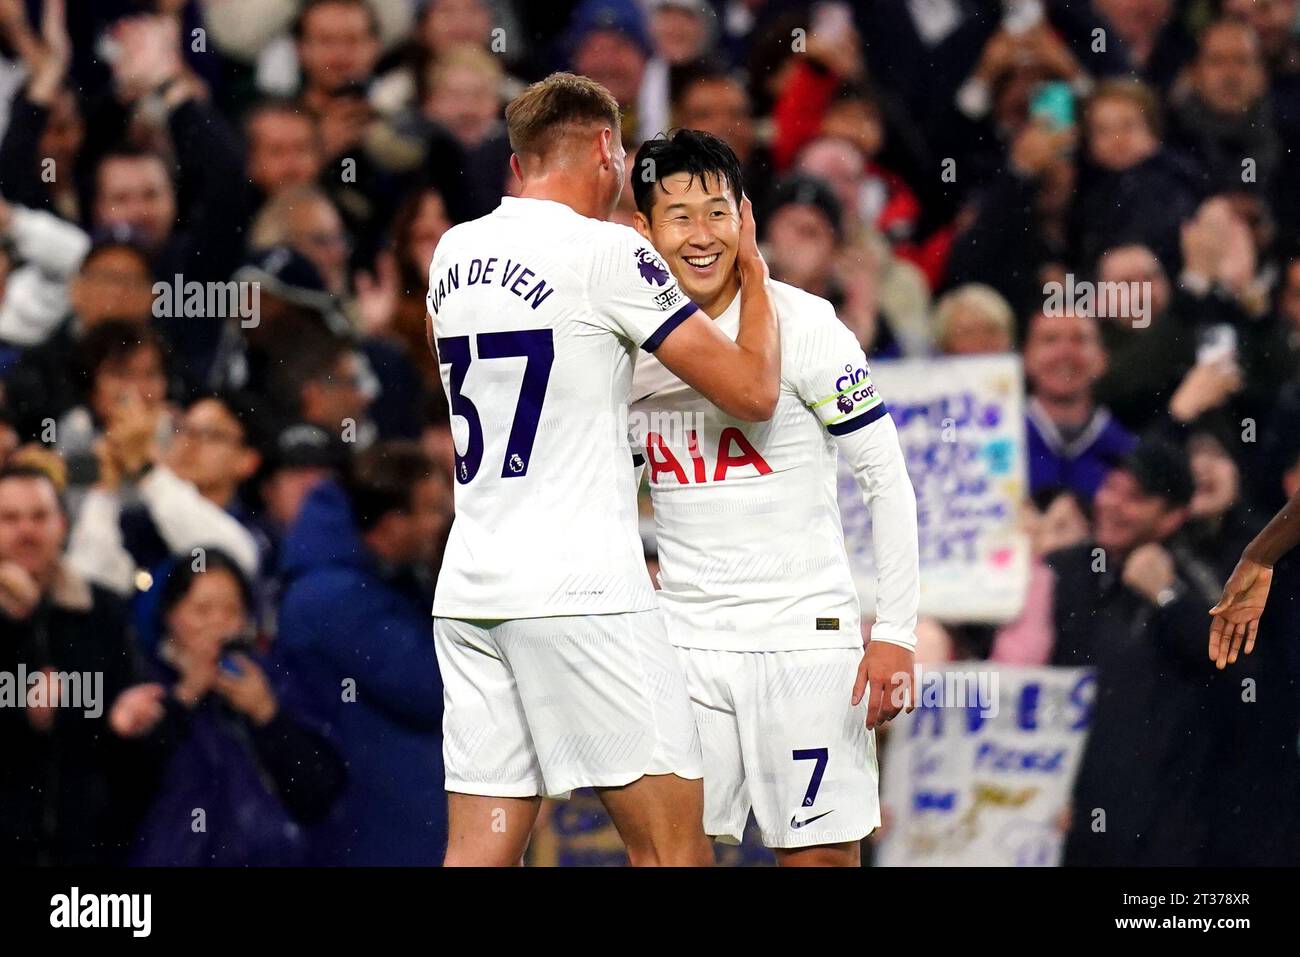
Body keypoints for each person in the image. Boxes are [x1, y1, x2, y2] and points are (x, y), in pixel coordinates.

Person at [427, 72, 780, 867]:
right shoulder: (609, 250)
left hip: (474, 590)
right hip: (584, 592)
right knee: (671, 852)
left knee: (476, 856)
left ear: (518, 166)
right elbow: (753, 391)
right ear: (605, 149)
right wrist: (753, 271)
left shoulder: (454, 251)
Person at [629, 128, 919, 866]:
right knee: (667, 857)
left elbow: (885, 477)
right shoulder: (623, 343)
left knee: (820, 860)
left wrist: (898, 631)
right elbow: (601, 493)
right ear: (645, 229)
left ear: (746, 218)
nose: (702, 236)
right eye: (680, 216)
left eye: (717, 212)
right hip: (684, 642)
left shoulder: (808, 324)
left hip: (803, 639)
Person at [108, 550, 346, 866]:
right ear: (169, 615)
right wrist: (184, 698)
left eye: (231, 611)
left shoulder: (274, 682)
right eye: (202, 610)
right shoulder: (143, 684)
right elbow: (123, 789)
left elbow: (320, 792)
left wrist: (267, 715)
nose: (218, 625)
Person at [273, 442, 449, 864]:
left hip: (389, 822)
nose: (445, 522)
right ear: (392, 524)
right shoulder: (333, 598)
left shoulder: (384, 581)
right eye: (433, 509)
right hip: (370, 831)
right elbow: (434, 688)